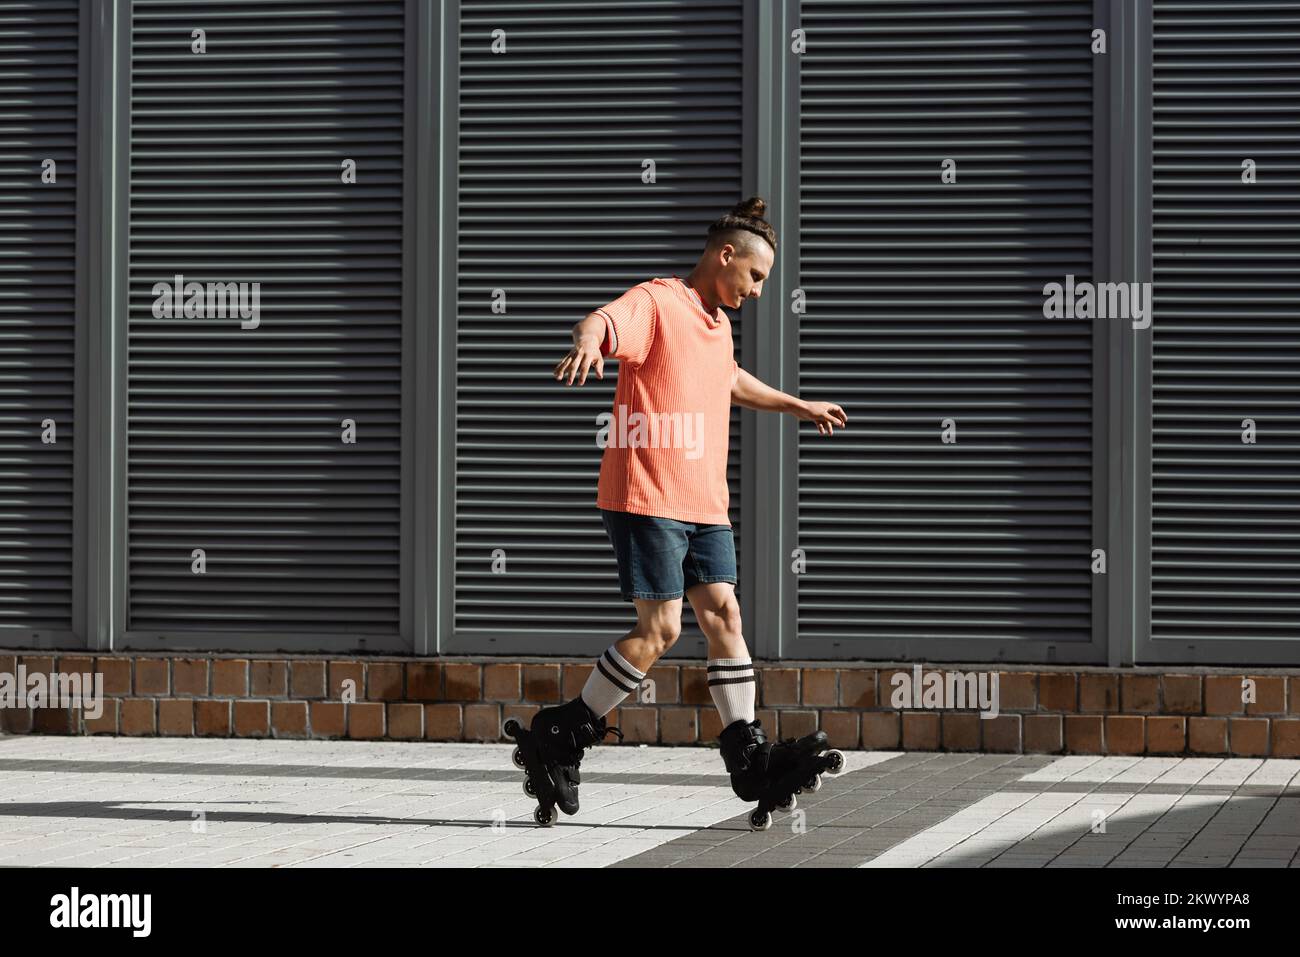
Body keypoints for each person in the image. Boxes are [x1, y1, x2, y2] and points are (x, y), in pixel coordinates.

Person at [539, 196, 847, 815]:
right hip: (648, 493)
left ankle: (749, 758)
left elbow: (728, 378)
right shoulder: (658, 302)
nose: (758, 291)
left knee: (725, 616)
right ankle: (562, 734)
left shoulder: (718, 324)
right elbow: (600, 322)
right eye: (755, 275)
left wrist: (798, 405)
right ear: (725, 255)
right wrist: (588, 343)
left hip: (705, 502)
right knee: (661, 629)